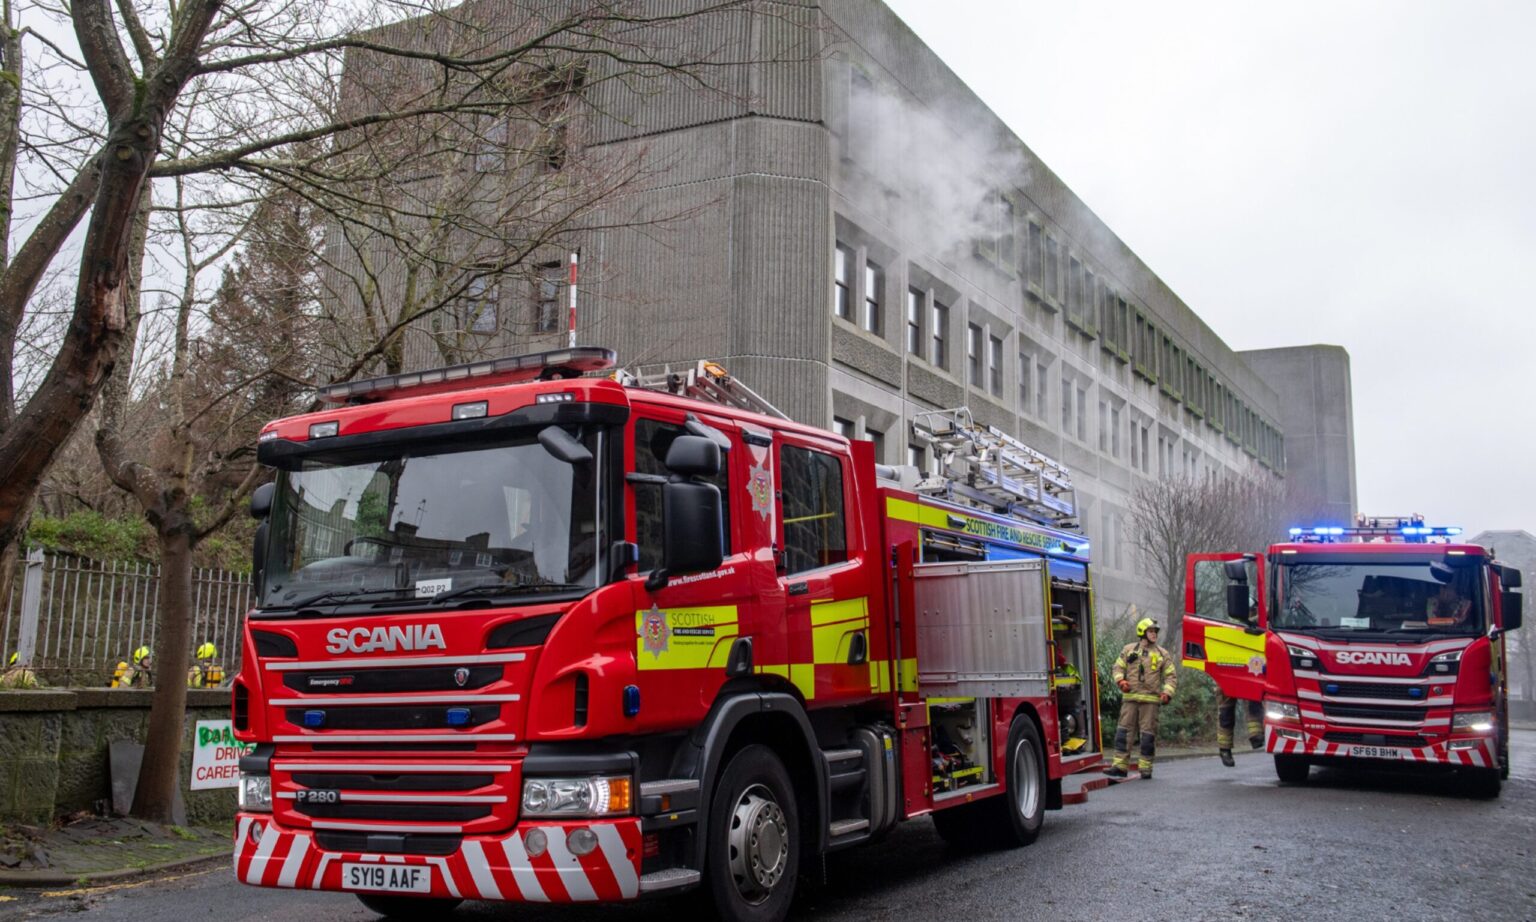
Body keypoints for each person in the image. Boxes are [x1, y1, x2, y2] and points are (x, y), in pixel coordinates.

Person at [1105, 617, 1178, 780]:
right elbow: (1117, 667)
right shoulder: (1129, 649)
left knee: (1147, 735)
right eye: (1151, 631)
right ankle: (1119, 767)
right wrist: (1121, 681)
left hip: (1150, 701)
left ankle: (1145, 768)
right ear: (1142, 632)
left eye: (1155, 632)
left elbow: (1171, 676)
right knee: (1124, 732)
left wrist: (1167, 693)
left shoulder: (1162, 654)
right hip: (1130, 699)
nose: (1154, 634)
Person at [1216, 691, 1263, 767]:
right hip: (1227, 684)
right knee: (1225, 713)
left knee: (1252, 699)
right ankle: (1224, 749)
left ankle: (1256, 735)